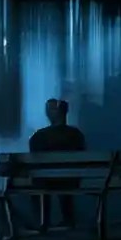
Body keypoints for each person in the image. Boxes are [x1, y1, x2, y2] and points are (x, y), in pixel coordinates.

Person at [27, 98, 85, 229]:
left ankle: (41, 221)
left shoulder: (39, 136)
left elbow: (33, 159)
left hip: (45, 180)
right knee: (65, 178)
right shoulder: (76, 135)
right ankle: (68, 219)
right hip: (71, 180)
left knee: (39, 181)